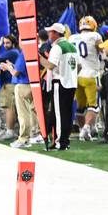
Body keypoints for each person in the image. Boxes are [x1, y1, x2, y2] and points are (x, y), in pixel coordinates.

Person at [40, 23, 80, 151]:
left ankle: (60, 142)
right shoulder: (72, 47)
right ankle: (65, 141)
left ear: (56, 33)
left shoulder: (57, 47)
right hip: (72, 83)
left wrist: (38, 58)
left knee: (59, 114)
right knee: (67, 114)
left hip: (60, 83)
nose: (49, 34)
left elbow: (51, 66)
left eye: (51, 32)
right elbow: (79, 66)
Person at [72, 16, 103, 141]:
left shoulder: (72, 38)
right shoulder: (95, 36)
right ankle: (85, 128)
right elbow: (102, 50)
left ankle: (81, 130)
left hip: (77, 75)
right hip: (91, 75)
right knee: (93, 106)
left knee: (80, 106)